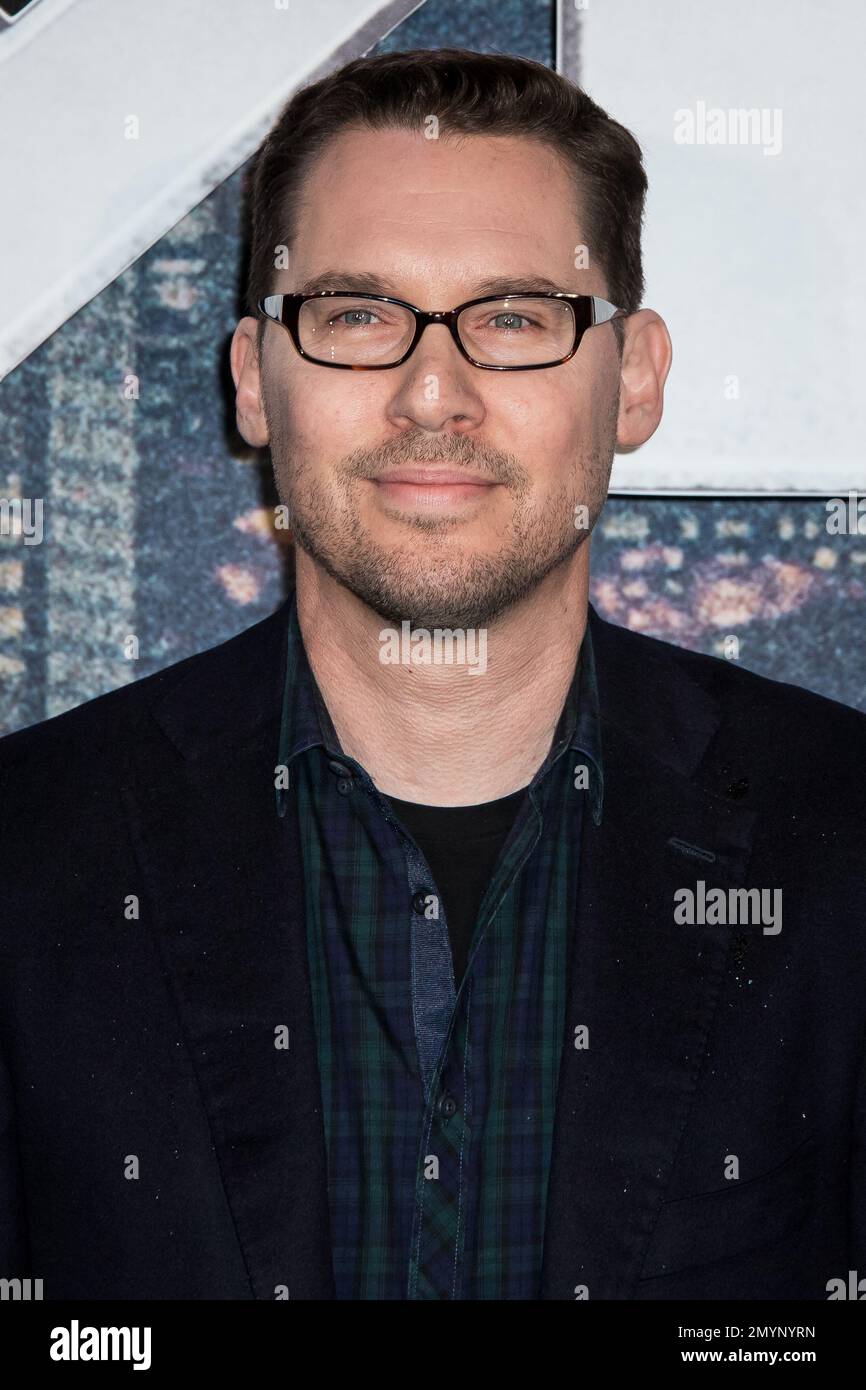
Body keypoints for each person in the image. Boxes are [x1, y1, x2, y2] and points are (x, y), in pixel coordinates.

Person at [1, 48, 864, 1302]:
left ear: (632, 379)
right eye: (357, 316)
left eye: (513, 317)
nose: (430, 393)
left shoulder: (841, 843)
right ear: (254, 376)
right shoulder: (29, 856)